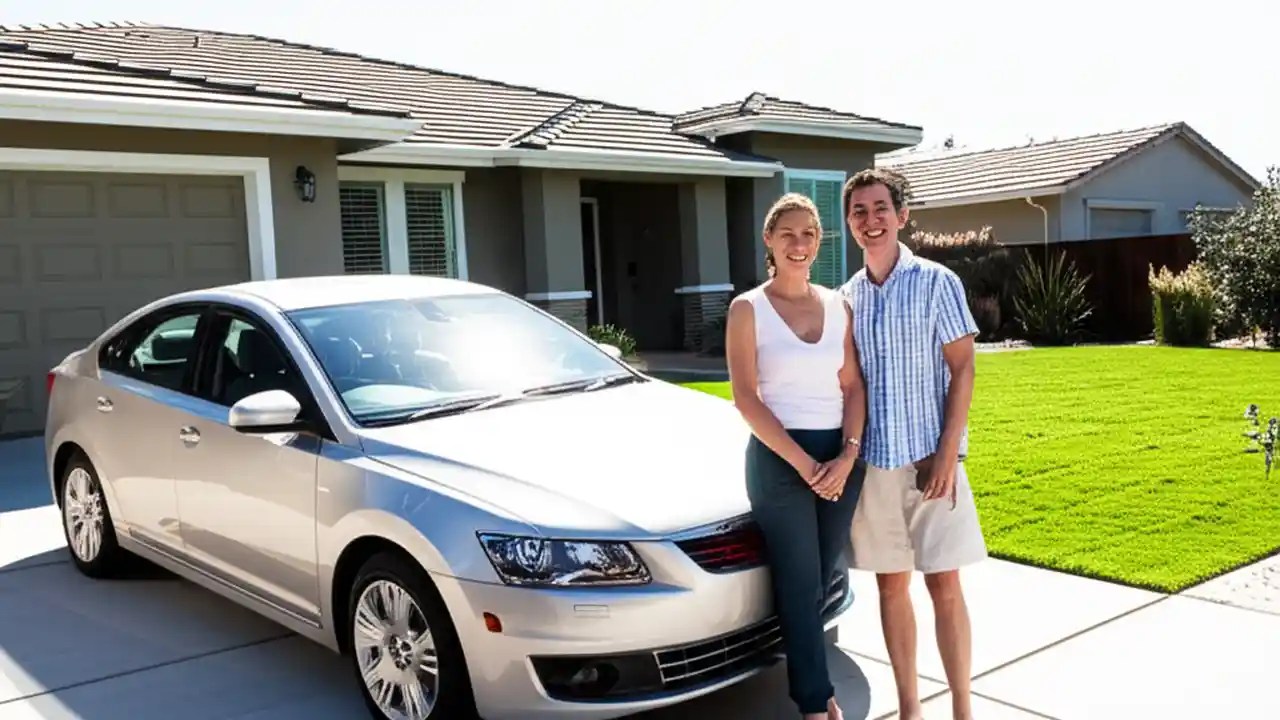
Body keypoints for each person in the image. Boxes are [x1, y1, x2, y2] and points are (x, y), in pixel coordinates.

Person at [837, 168, 987, 720]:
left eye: (880, 209)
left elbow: (964, 367)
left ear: (901, 217)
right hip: (875, 465)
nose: (870, 220)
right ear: (849, 223)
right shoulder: (845, 300)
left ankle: (963, 710)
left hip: (932, 460)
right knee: (890, 589)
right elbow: (848, 386)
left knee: (945, 585)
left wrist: (950, 450)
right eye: (859, 212)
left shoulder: (937, 282)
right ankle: (909, 710)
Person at [725, 192, 868, 720]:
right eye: (788, 234)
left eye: (809, 233)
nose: (800, 244)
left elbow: (853, 387)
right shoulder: (748, 309)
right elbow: (746, 398)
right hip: (779, 460)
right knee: (801, 578)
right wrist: (806, 466)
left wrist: (847, 457)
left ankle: (807, 676)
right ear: (769, 240)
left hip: (839, 458)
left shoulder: (838, 305)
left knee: (823, 577)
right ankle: (814, 701)